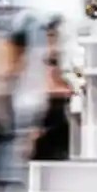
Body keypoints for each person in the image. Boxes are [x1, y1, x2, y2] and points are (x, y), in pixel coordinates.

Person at [31, 17, 72, 161]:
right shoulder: (41, 59)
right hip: (46, 114)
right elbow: (50, 87)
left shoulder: (54, 57)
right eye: (51, 36)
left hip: (56, 116)